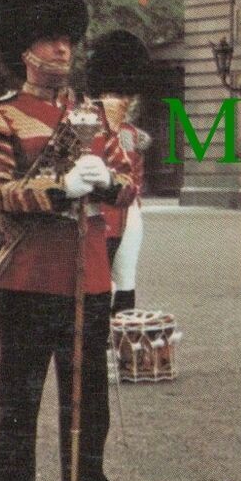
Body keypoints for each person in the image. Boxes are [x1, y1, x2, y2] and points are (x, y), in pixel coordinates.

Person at [0, 0, 147, 481]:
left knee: (89, 403)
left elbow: (128, 184)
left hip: (87, 276)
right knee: (20, 404)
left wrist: (104, 181)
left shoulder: (91, 119)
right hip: (27, 279)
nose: (62, 50)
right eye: (48, 39)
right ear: (23, 48)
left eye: (67, 38)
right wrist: (56, 188)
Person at [87, 30, 155, 313]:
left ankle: (124, 340)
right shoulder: (86, 125)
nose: (126, 100)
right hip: (100, 214)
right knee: (100, 284)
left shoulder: (132, 134)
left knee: (126, 280)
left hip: (129, 214)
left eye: (128, 94)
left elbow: (135, 176)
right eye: (118, 93)